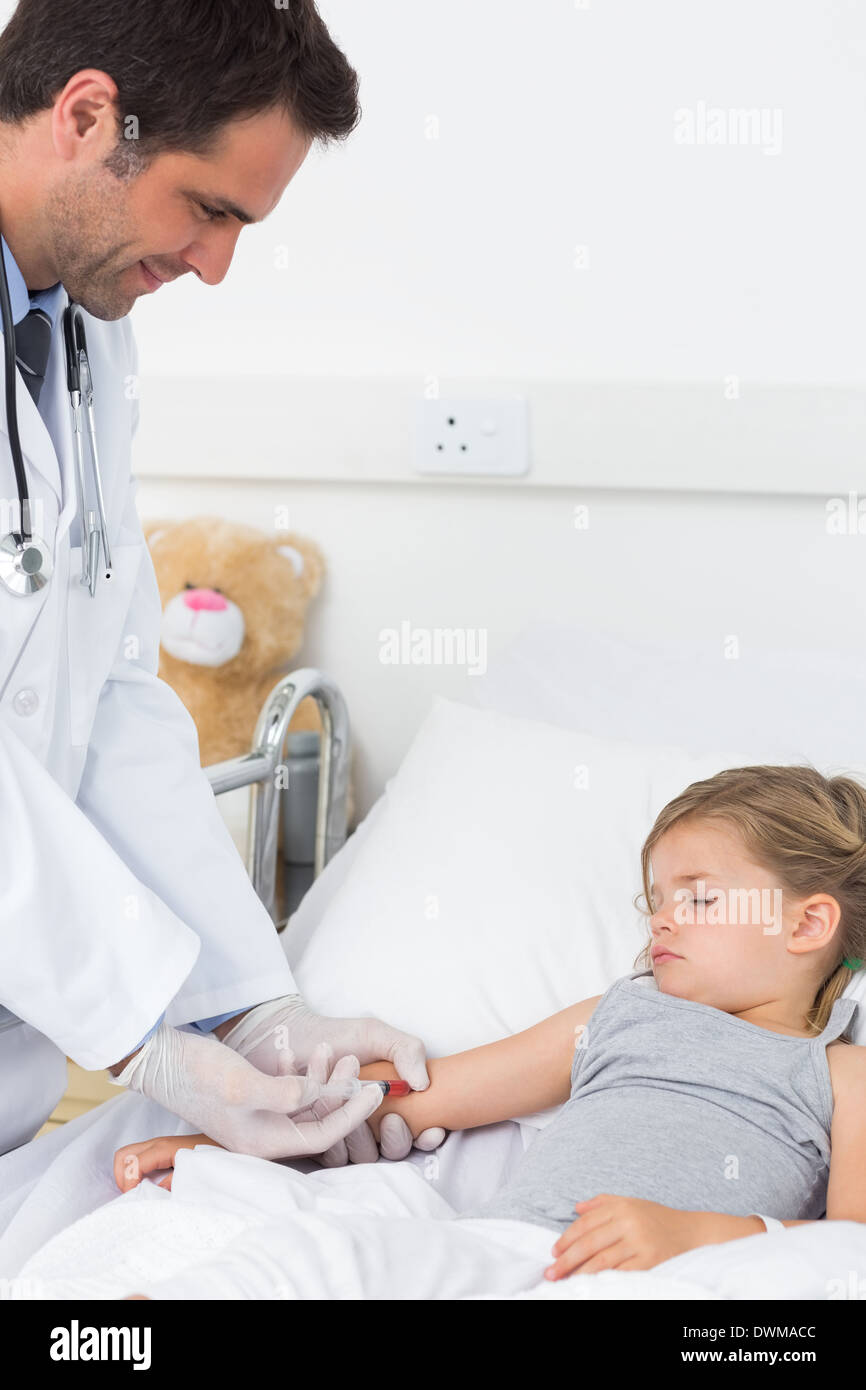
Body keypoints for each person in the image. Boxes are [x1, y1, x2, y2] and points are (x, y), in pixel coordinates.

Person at [0, 0, 437, 1164]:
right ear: (87, 116)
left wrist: (253, 1007)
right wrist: (145, 1031)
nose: (215, 265)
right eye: (207, 208)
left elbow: (112, 700)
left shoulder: (81, 331)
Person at [115, 764, 866, 1297]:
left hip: (679, 1281)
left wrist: (695, 1235)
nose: (662, 918)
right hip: (509, 1244)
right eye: (656, 900)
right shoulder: (621, 1016)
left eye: (698, 900)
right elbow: (423, 1098)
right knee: (331, 1244)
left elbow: (851, 1248)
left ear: (806, 923)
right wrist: (229, 1140)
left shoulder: (839, 1075)